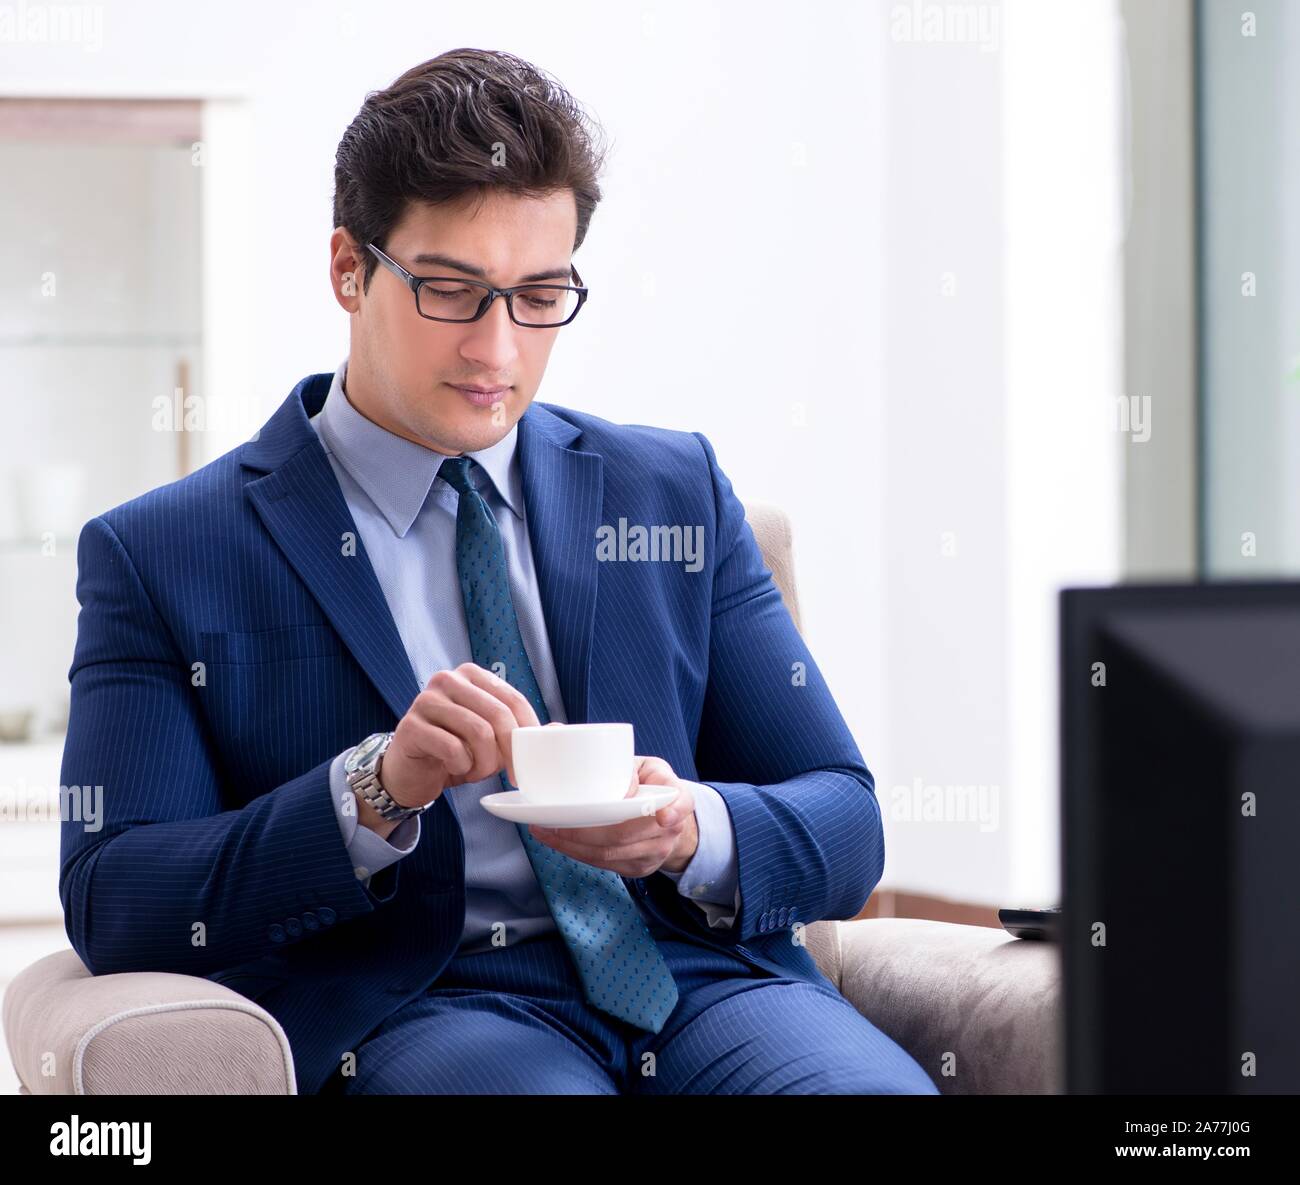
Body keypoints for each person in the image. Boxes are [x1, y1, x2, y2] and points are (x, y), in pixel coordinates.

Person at [58, 47, 938, 1097]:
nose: (498, 349)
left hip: (711, 986)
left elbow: (846, 819)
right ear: (349, 267)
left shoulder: (673, 492)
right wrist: (371, 793)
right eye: (450, 290)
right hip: (426, 1004)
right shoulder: (165, 551)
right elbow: (116, 899)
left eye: (538, 295)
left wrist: (689, 827)